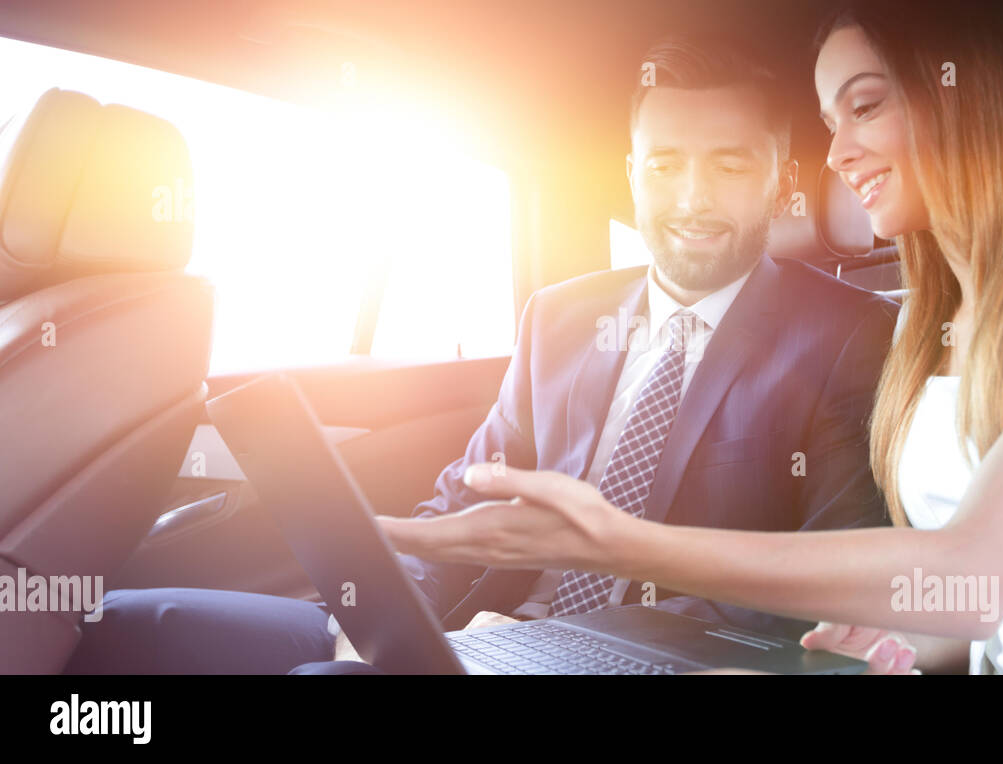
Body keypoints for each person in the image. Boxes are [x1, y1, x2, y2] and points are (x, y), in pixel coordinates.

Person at [376, 0, 1003, 674]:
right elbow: (972, 611)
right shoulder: (931, 340)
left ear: (964, 89)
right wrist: (899, 638)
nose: (840, 150)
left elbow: (977, 569)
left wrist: (614, 545)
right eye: (829, 121)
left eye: (865, 105)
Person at [66, 33, 911, 675]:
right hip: (463, 637)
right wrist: (375, 619)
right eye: (666, 165)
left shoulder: (847, 335)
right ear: (631, 174)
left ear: (775, 174)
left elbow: (820, 591)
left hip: (628, 658)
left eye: (729, 164)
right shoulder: (561, 318)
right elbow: (458, 509)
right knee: (108, 626)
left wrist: (550, 643)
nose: (692, 198)